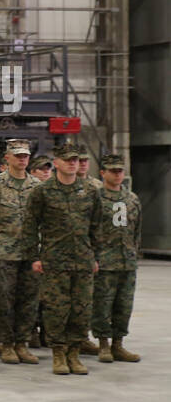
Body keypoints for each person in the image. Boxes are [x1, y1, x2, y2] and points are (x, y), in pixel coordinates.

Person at [23, 143, 102, 375]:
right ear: (56, 162)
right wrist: (35, 257)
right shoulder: (42, 191)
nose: (72, 163)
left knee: (82, 308)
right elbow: (30, 226)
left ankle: (74, 353)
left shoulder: (90, 190)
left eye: (76, 160)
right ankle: (58, 353)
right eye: (67, 159)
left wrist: (95, 256)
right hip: (54, 260)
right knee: (56, 309)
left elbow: (97, 226)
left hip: (83, 260)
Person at [0, 139, 41, 364]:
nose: (22, 159)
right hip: (4, 251)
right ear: (7, 158)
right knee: (5, 299)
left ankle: (22, 344)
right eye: (18, 156)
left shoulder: (36, 186)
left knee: (29, 299)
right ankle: (6, 344)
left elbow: (42, 220)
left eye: (25, 155)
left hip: (30, 252)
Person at [92, 153, 142, 363]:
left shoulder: (132, 199)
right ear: (103, 173)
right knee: (102, 304)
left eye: (120, 171)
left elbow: (137, 230)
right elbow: (89, 229)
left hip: (126, 261)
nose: (117, 174)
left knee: (124, 304)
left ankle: (118, 344)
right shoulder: (95, 198)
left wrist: (133, 254)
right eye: (113, 171)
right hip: (104, 262)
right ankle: (103, 344)